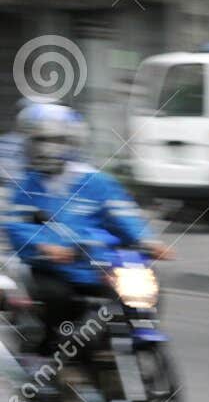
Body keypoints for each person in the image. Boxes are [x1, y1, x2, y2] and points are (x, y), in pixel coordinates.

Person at [2, 103, 173, 362]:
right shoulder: (26, 186)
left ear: (72, 141)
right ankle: (47, 360)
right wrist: (45, 246)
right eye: (39, 141)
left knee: (143, 283)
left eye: (55, 140)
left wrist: (147, 241)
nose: (46, 148)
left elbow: (123, 214)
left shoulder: (98, 182)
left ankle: (132, 338)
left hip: (98, 264)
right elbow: (17, 226)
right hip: (53, 269)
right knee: (54, 298)